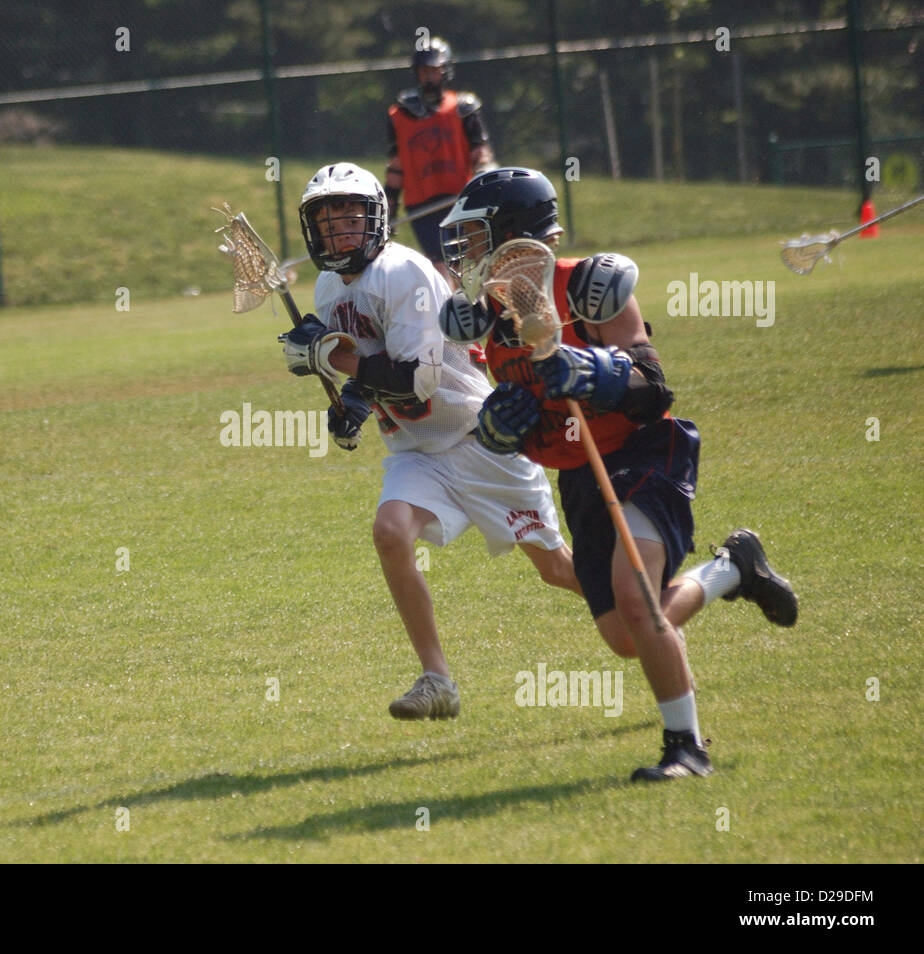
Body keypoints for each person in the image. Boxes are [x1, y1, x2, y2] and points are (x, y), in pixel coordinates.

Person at [436, 167, 799, 781]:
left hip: (643, 453)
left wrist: (588, 371)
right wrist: (504, 429)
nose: (466, 252)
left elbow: (653, 388)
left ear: (512, 233)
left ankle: (686, 748)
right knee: (627, 634)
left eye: (475, 237)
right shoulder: (485, 319)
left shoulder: (590, 288)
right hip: (581, 474)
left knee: (636, 600)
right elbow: (528, 424)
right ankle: (734, 567)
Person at [279, 161, 582, 721]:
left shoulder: (405, 273)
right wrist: (354, 404)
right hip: (417, 450)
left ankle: (655, 603)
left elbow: (415, 378)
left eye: (350, 215)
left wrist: (328, 355)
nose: (339, 229)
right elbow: (372, 365)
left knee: (560, 571)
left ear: (376, 219)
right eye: (327, 220)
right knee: (390, 532)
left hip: (478, 439)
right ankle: (436, 678)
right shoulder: (326, 287)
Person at [385, 37, 496, 283]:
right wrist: (390, 204)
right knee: (439, 264)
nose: (429, 77)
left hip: (460, 198)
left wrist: (486, 183)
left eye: (434, 70)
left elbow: (481, 154)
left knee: (473, 258)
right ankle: (451, 314)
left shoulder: (463, 108)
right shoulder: (400, 115)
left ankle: (482, 311)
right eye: (425, 71)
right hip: (421, 204)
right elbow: (397, 165)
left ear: (445, 70)